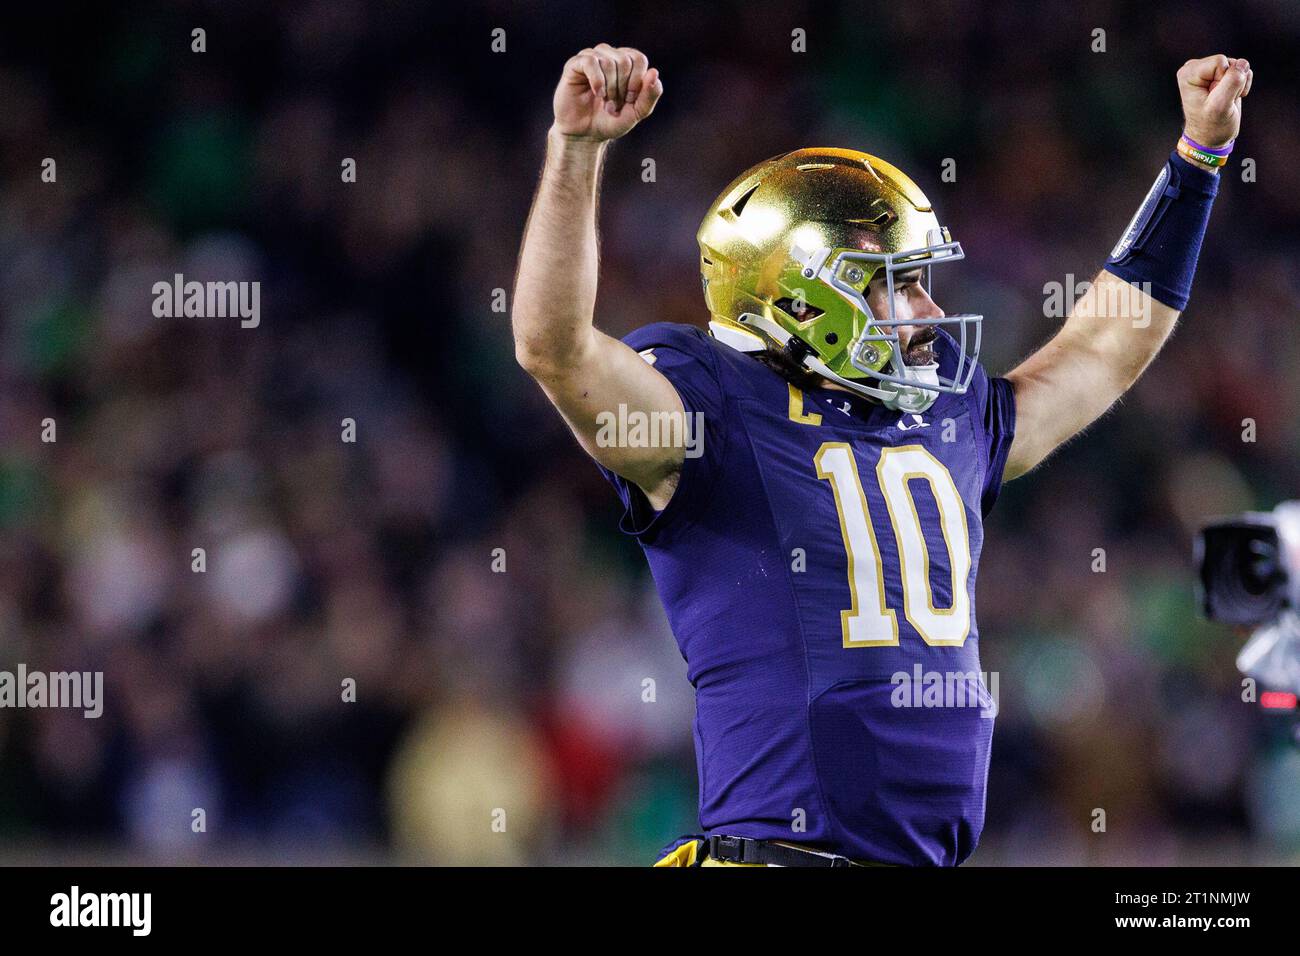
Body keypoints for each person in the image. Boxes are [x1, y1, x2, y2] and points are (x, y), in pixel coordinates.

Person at [512, 44, 1252, 866]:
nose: (929, 310)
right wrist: (576, 153)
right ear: (801, 294)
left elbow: (1108, 346)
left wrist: (1199, 160)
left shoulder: (952, 412)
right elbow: (555, 350)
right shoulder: (712, 409)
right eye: (894, 281)